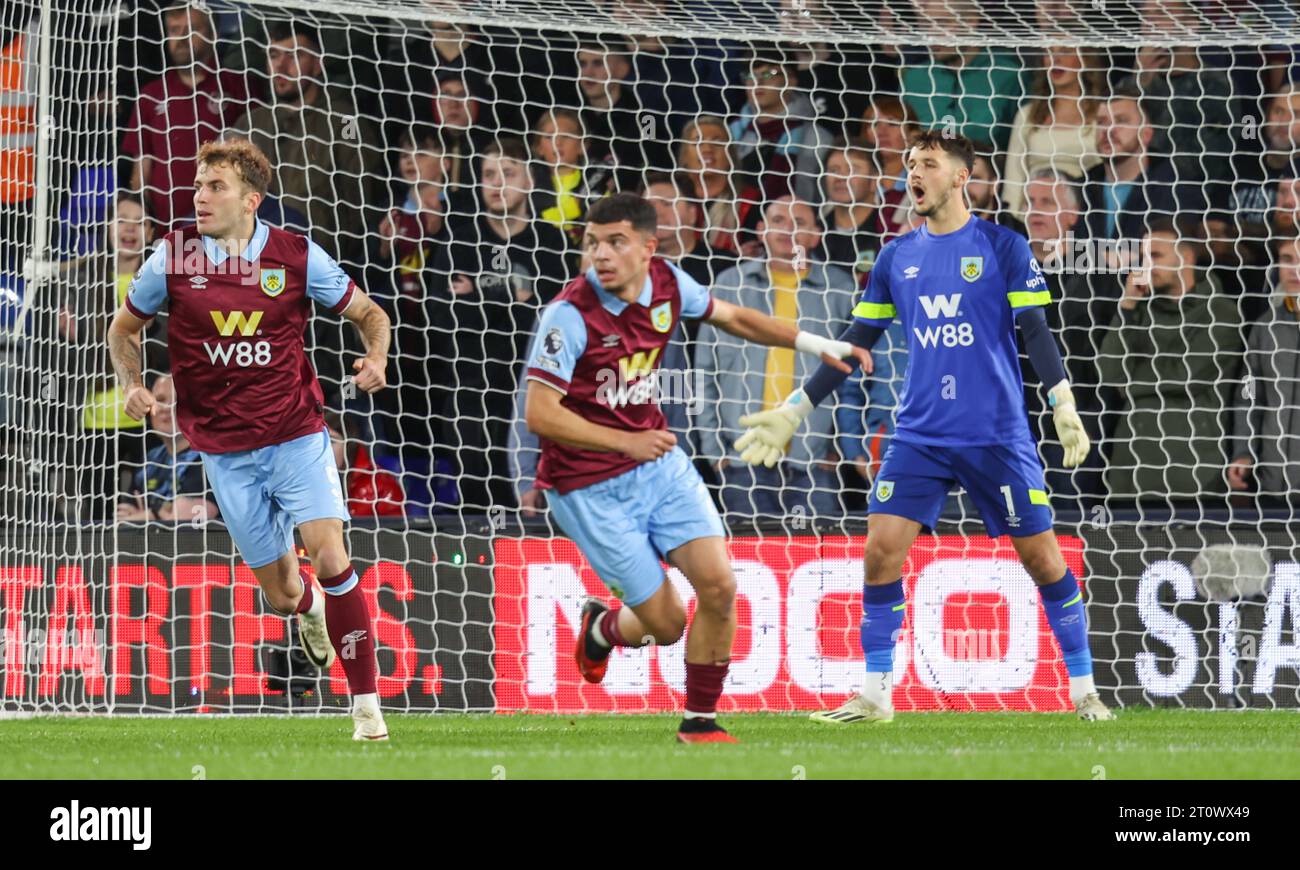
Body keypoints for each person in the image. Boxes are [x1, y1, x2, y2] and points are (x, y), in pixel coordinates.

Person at [736, 130, 1114, 724]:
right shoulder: (895, 257)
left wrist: (1062, 401)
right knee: (881, 552)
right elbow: (855, 344)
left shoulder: (1003, 246)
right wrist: (795, 409)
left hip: (995, 434)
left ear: (961, 177)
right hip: (919, 434)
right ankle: (875, 695)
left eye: (928, 164)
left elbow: (1034, 331)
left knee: (1043, 559)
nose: (915, 173)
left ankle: (1084, 690)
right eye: (910, 164)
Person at [523, 193, 865, 743]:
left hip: (659, 465)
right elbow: (539, 413)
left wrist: (814, 341)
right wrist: (624, 442)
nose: (601, 255)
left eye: (615, 242)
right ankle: (603, 627)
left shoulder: (667, 283)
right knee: (666, 624)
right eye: (592, 243)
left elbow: (734, 317)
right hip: (586, 485)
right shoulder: (569, 314)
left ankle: (699, 724)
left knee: (720, 585)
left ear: (647, 249)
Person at [106, 138, 394, 741]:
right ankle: (309, 609)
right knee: (286, 593)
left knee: (331, 555)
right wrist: (132, 384)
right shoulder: (173, 257)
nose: (200, 197)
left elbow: (372, 315)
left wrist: (375, 359)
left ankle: (367, 712)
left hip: (296, 432)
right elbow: (123, 329)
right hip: (223, 450)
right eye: (197, 186)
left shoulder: (295, 255)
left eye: (216, 187)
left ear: (251, 200)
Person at [696, 196, 865, 519]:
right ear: (760, 231)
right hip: (743, 459)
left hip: (814, 462)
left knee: (820, 564)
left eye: (799, 223)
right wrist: (714, 451)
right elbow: (704, 371)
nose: (787, 230)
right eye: (777, 221)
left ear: (816, 235)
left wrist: (841, 449)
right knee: (746, 565)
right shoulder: (730, 284)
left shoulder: (841, 289)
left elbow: (854, 378)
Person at [1097, 221, 1243, 505]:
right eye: (1142, 257)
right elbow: (1109, 371)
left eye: (1156, 256)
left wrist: (1131, 382)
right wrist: (1126, 305)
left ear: (1186, 257)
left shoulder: (1221, 312)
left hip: (1191, 473)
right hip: (1129, 471)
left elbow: (1185, 377)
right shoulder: (1138, 310)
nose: (1146, 265)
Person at [122, 2, 251, 231]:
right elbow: (141, 171)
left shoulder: (239, 87)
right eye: (174, 30)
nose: (181, 37)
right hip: (166, 232)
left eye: (191, 29)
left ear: (212, 34)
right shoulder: (151, 95)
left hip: (224, 231)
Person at [1229, 233, 1300, 506]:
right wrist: (1243, 452)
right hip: (1273, 490)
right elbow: (1247, 396)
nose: (1294, 269)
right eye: (1287, 259)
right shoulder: (1264, 327)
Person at [1001, 45, 1105, 220]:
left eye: (1065, 51)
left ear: (1085, 59)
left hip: (1085, 215)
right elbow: (1014, 178)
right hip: (1034, 213)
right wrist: (1012, 224)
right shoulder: (1027, 115)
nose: (1055, 59)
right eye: (1048, 52)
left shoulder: (1101, 114)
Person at [116, 374, 217, 523]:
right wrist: (161, 513)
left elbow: (193, 516)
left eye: (177, 401)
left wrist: (150, 514)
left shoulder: (209, 458)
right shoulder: (150, 461)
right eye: (161, 400)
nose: (167, 408)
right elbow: (125, 516)